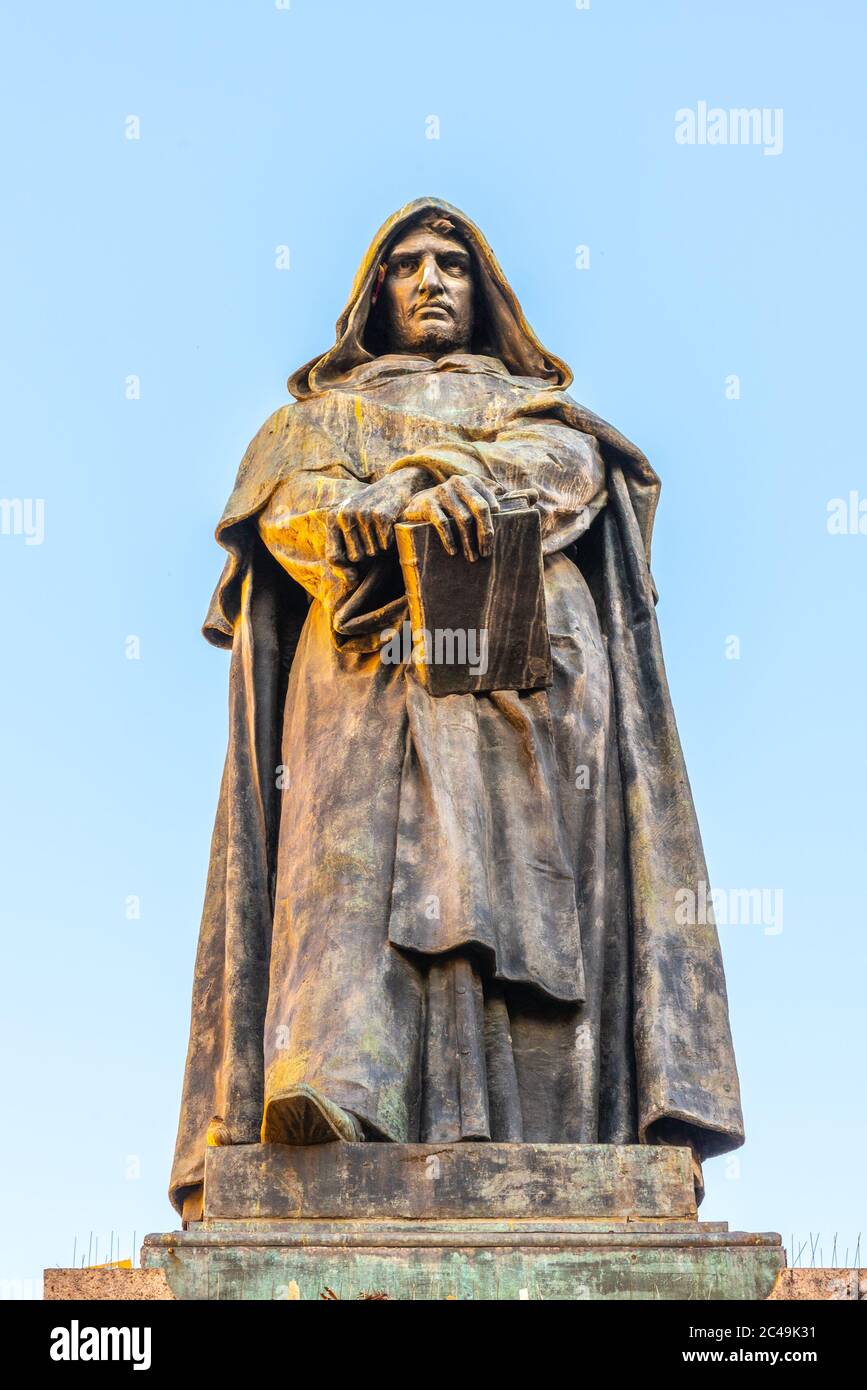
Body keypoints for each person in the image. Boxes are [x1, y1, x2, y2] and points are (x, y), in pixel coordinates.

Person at [169, 198, 743, 1220]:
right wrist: (383, 506)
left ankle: (557, 1123)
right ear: (374, 296)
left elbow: (575, 477)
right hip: (366, 659)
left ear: (485, 293)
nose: (432, 280)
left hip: (533, 670)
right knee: (344, 857)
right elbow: (291, 512)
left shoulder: (542, 412)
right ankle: (339, 1086)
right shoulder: (310, 423)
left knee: (525, 881)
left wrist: (443, 480)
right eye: (407, 265)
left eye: (453, 265)